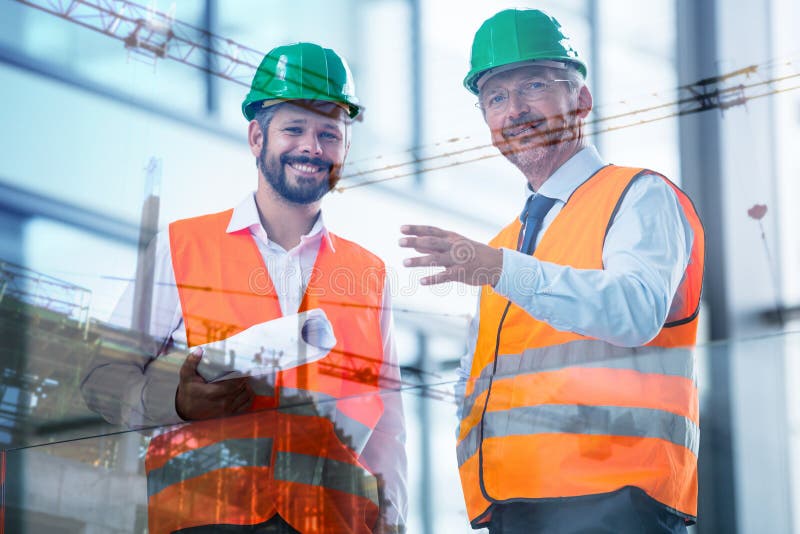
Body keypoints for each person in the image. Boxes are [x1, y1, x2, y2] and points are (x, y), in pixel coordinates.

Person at [399, 8, 704, 534]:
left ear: (581, 98)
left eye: (534, 85)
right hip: (513, 508)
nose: (514, 110)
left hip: (615, 501)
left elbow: (634, 312)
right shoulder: (502, 247)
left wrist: (501, 269)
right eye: (495, 97)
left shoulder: (638, 196)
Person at [82, 42, 406, 533]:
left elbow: (387, 427)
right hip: (205, 517)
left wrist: (393, 519)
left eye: (329, 133)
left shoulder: (369, 273)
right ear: (257, 137)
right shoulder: (183, 245)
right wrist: (177, 402)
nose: (312, 148)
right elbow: (102, 377)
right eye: (294, 129)